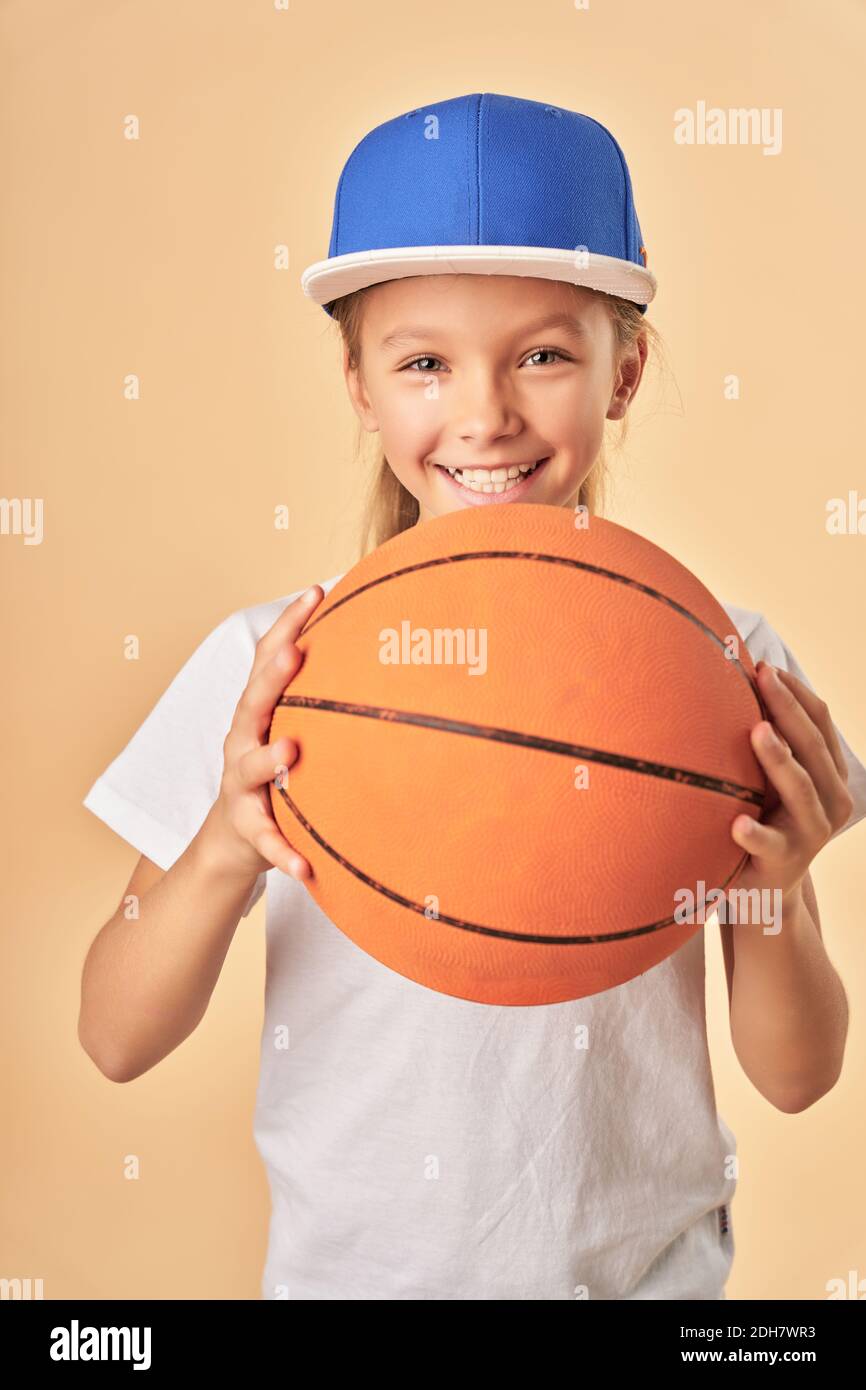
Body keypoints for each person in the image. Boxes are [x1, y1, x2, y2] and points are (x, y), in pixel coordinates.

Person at [80, 93, 866, 1300]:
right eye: (423, 362)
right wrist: (228, 846)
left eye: (543, 354)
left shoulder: (724, 664)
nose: (485, 413)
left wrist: (775, 889)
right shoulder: (271, 668)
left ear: (626, 370)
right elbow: (114, 1035)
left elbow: (797, 1075)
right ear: (358, 383)